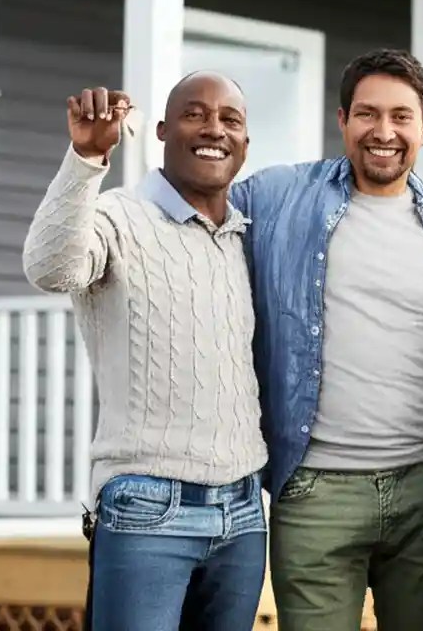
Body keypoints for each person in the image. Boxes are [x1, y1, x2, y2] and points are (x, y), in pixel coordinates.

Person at [229, 48, 423, 630]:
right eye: (366, 114)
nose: (383, 132)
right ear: (342, 121)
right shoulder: (278, 197)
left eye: (401, 116)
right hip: (315, 493)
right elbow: (193, 215)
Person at [22, 72, 268, 631]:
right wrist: (86, 157)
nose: (213, 129)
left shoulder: (244, 237)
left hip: (244, 511)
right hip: (147, 507)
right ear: (161, 130)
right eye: (194, 114)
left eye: (230, 120)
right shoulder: (118, 217)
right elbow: (49, 267)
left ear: (246, 144)